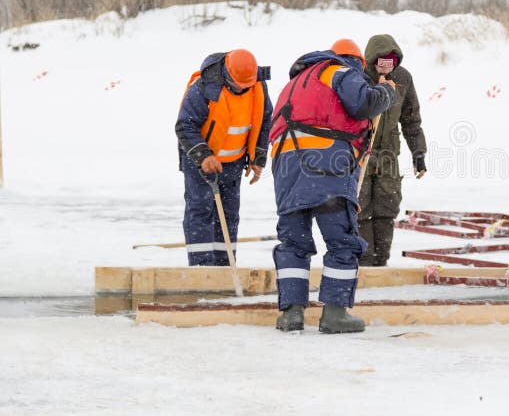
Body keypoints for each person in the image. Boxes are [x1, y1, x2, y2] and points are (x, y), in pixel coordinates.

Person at [270, 39, 396, 333]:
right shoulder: (338, 71)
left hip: (286, 167)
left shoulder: (296, 82)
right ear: (353, 61)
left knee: (293, 243)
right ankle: (335, 313)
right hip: (324, 163)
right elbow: (365, 103)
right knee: (342, 240)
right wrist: (386, 93)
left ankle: (291, 313)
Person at [175, 49, 273, 266]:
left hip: (234, 162)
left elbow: (264, 122)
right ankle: (202, 268)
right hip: (200, 161)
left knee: (228, 216)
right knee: (201, 211)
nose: (242, 88)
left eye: (246, 85)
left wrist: (258, 158)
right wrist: (204, 156)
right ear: (227, 74)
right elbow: (184, 125)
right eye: (238, 84)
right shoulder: (202, 88)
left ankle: (225, 265)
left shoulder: (257, 86)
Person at [357, 34, 427, 266]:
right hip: (361, 152)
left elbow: (411, 119)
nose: (387, 66)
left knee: (387, 205)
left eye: (391, 61)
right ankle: (364, 260)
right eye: (381, 61)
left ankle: (381, 259)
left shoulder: (403, 78)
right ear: (371, 60)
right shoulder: (358, 77)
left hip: (389, 153)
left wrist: (419, 153)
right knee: (361, 206)